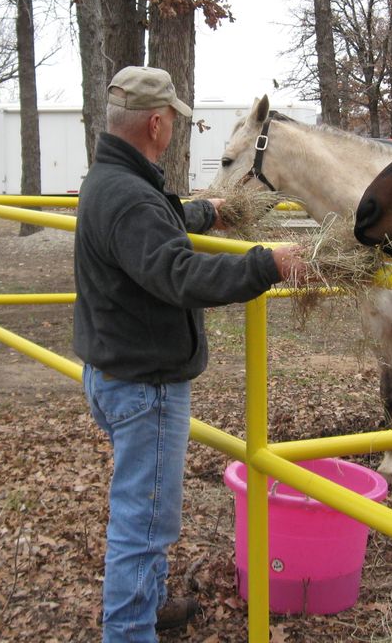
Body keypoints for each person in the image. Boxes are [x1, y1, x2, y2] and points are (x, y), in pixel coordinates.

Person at [73, 65, 306, 642]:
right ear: (156, 123)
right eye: (172, 118)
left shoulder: (112, 179)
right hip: (144, 383)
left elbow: (157, 222)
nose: (175, 127)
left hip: (117, 369)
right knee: (145, 520)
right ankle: (129, 632)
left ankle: (147, 604)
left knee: (144, 508)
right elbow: (178, 272)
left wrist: (206, 212)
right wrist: (268, 265)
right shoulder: (129, 196)